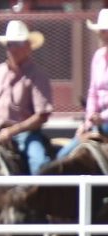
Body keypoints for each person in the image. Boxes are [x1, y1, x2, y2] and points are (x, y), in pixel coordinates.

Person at [0, 20, 53, 175]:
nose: (12, 48)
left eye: (17, 43)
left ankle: (38, 198)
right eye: (10, 44)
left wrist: (12, 131)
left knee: (40, 164)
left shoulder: (37, 75)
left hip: (27, 135)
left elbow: (42, 116)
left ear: (28, 46)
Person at [58, 10, 108, 160]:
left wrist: (102, 117)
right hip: (97, 122)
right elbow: (93, 92)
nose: (103, 34)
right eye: (102, 31)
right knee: (63, 156)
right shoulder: (98, 57)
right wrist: (89, 120)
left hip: (104, 121)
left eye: (106, 31)